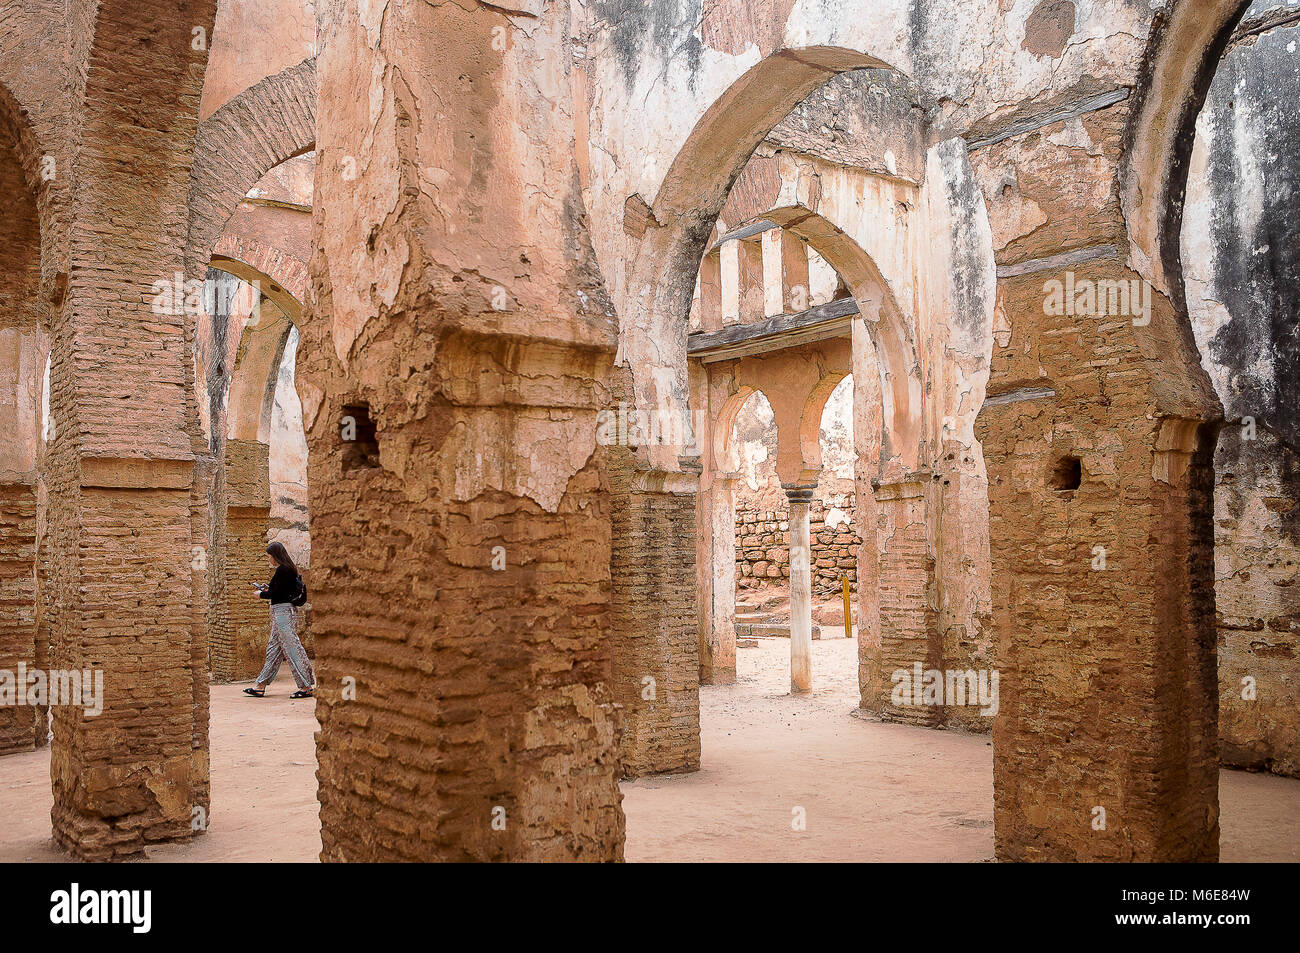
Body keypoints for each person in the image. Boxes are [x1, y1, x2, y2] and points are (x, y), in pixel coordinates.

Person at [243, 542, 315, 699]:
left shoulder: (283, 570)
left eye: (269, 556)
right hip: (280, 613)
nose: (269, 559)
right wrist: (268, 590)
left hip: (283, 614)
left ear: (275, 555)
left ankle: (306, 686)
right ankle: (260, 686)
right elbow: (280, 591)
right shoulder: (286, 569)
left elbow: (279, 594)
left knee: (292, 648)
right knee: (273, 650)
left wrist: (261, 595)